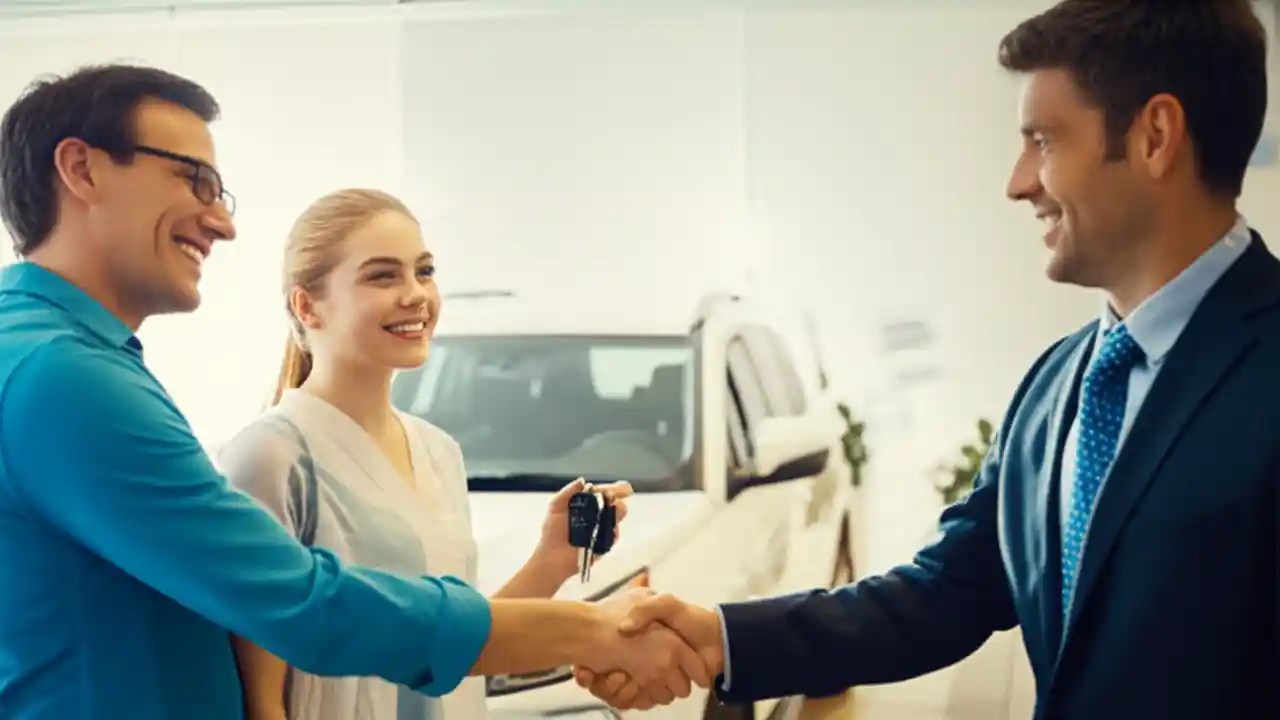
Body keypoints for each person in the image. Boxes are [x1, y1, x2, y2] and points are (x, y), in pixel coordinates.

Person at [578, 1, 1280, 718]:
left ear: (1154, 137)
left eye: (1043, 141)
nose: (1018, 183)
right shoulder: (1056, 383)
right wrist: (720, 638)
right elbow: (945, 594)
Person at [0, 64, 708, 720]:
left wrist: (558, 575)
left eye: (424, 271)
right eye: (194, 181)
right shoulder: (66, 379)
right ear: (81, 169)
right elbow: (306, 606)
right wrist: (592, 628)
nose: (222, 221)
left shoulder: (62, 361)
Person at [216, 187, 635, 720]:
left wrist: (551, 561)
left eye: (425, 271)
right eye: (383, 276)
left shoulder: (439, 452)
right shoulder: (270, 456)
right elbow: (261, 702)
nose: (416, 294)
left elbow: (457, 645)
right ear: (306, 306)